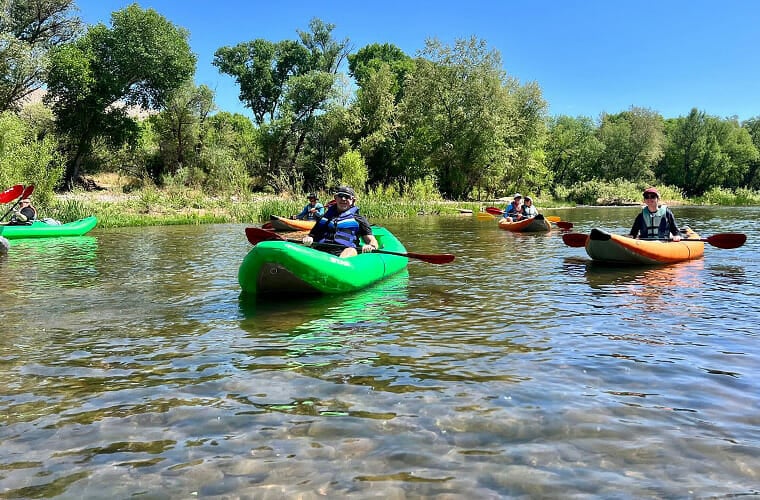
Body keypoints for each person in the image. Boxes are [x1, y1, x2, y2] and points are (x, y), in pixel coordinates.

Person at [302, 185, 379, 258]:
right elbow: (311, 234)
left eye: (347, 197)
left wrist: (371, 246)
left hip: (343, 252)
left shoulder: (359, 219)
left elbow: (371, 240)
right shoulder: (325, 218)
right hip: (321, 251)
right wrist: (308, 238)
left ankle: (336, 268)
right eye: (340, 196)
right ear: (335, 198)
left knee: (351, 250)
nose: (343, 199)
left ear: (353, 200)